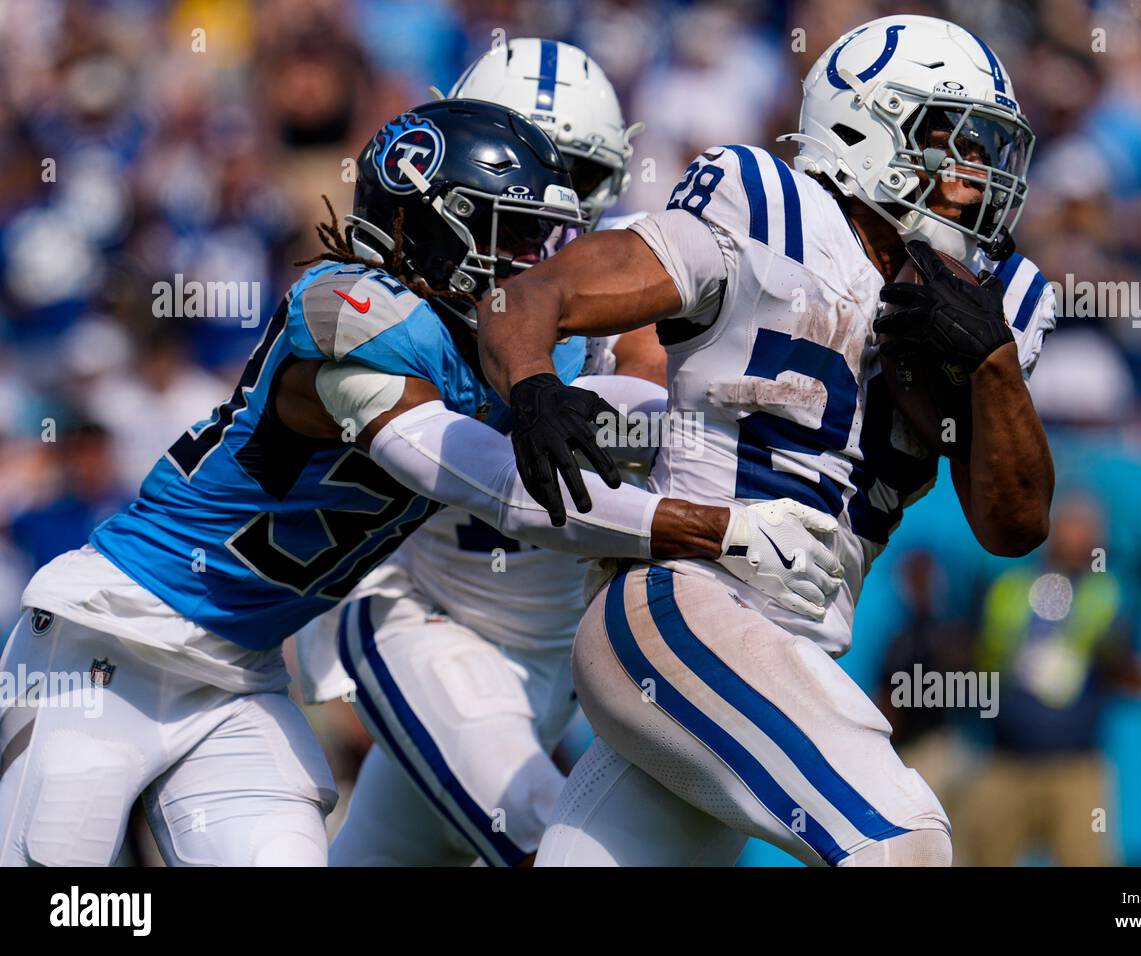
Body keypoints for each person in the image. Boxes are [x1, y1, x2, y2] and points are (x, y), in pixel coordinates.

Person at [0, 99, 841, 867]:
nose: (533, 262)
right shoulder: (349, 307)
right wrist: (718, 527)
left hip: (241, 675)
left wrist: (739, 421)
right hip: (102, 641)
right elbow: (494, 483)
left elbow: (602, 412)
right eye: (513, 235)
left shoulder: (467, 335)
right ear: (435, 222)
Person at [476, 14, 1058, 866]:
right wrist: (532, 387)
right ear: (865, 128)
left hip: (787, 649)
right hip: (684, 603)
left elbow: (1016, 525)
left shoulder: (994, 298)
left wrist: (992, 365)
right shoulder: (764, 207)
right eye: (951, 141)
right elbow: (530, 298)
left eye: (988, 151)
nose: (976, 178)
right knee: (903, 841)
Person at [312, 38, 669, 867]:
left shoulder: (623, 273)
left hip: (549, 661)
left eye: (568, 180)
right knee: (553, 847)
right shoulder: (401, 297)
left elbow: (654, 396)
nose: (535, 213)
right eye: (505, 185)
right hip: (422, 615)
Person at [962, 492, 1141, 866]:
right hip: (1005, 761)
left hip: (1076, 768)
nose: (1075, 537)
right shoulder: (1010, 587)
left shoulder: (1108, 594)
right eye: (1068, 525)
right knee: (981, 853)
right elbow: (979, 659)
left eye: (1086, 529)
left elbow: (1131, 673)